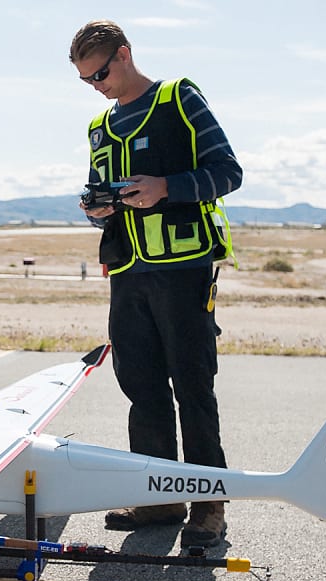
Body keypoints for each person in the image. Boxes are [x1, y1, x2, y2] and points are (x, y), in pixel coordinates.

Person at [69, 20, 243, 549]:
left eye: (100, 72)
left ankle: (209, 504)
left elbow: (228, 172)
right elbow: (110, 200)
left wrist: (166, 187)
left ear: (125, 54)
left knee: (192, 385)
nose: (96, 85)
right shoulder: (101, 126)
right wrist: (98, 209)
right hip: (128, 272)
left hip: (182, 269)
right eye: (85, 79)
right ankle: (158, 496)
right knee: (141, 388)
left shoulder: (178, 99)